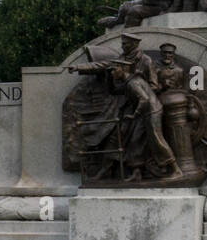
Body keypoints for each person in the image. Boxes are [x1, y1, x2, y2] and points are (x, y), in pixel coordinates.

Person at [68, 34, 179, 181]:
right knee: (117, 136)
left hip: (145, 107)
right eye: (122, 43)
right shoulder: (121, 58)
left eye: (125, 44)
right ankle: (114, 171)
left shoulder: (146, 61)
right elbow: (101, 65)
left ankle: (173, 169)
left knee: (145, 139)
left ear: (134, 45)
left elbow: (154, 85)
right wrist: (78, 67)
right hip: (129, 107)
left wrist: (137, 83)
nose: (122, 46)